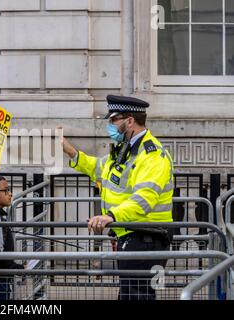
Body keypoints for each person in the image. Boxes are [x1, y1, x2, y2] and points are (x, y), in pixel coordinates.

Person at [61, 95, 174, 300]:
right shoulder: (126, 150)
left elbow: (145, 198)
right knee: (131, 294)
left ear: (129, 120)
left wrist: (111, 215)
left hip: (147, 238)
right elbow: (98, 168)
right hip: (132, 236)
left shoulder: (152, 154)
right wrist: (69, 150)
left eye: (113, 120)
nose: (109, 125)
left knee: (137, 296)